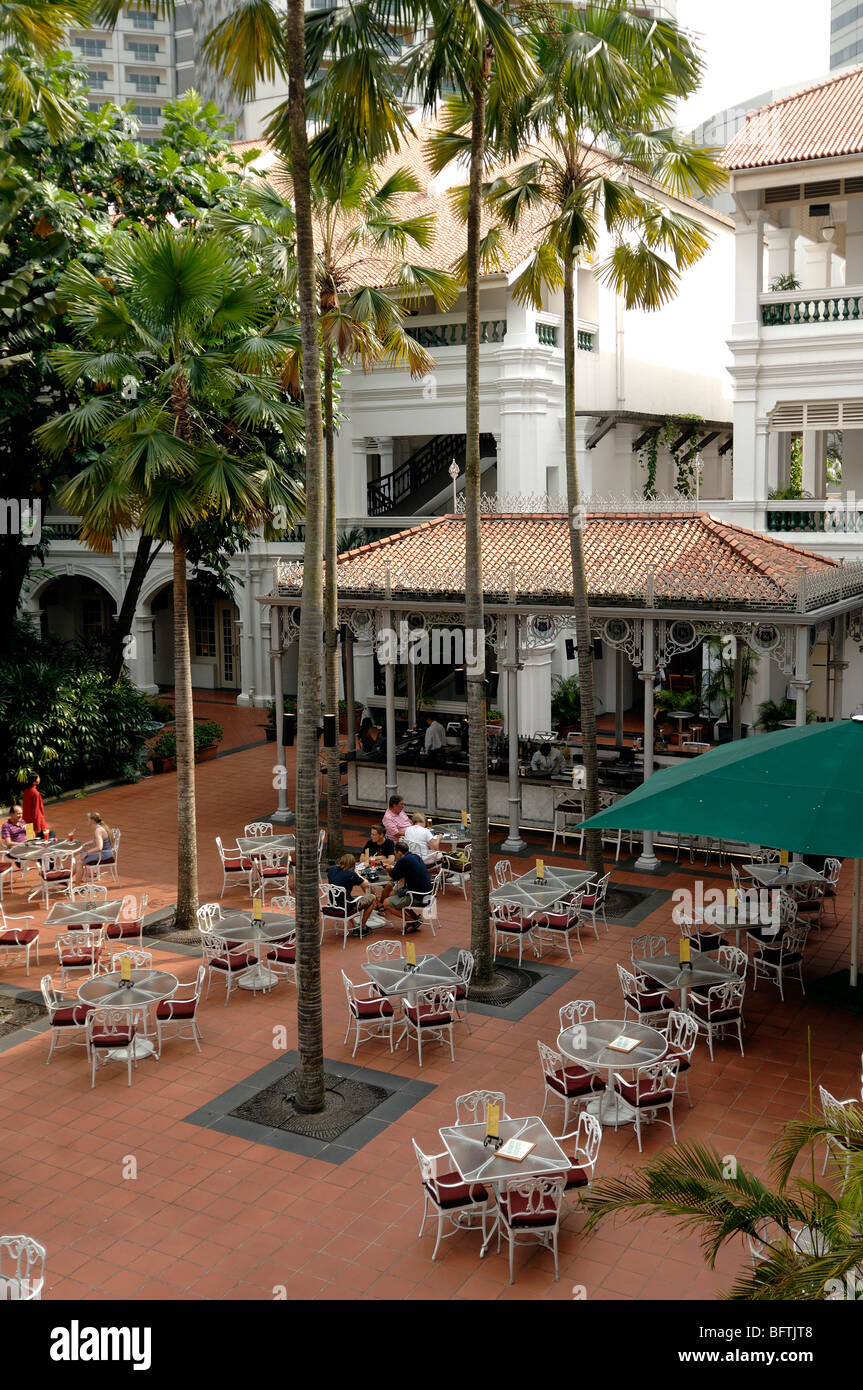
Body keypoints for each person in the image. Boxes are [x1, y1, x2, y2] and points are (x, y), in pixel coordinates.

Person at [379, 839, 433, 931]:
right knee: (393, 894)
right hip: (427, 892)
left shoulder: (403, 861)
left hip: (416, 895)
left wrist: (388, 871)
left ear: (399, 852)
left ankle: (412, 921)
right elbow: (407, 871)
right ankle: (415, 917)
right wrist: (394, 869)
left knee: (386, 903)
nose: (395, 855)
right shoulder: (414, 856)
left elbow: (390, 878)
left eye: (395, 852)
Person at [326, 853, 382, 933]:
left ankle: (354, 925)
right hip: (346, 906)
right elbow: (367, 885)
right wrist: (357, 873)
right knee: (372, 898)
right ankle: (362, 927)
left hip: (333, 903)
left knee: (346, 898)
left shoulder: (332, 870)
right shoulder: (351, 874)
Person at [21, 773, 49, 839]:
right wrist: (37, 826)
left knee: (31, 841)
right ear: (34, 782)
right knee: (44, 841)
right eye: (38, 778)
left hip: (28, 821)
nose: (39, 779)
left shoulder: (26, 791)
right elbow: (36, 810)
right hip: (37, 822)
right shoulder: (35, 793)